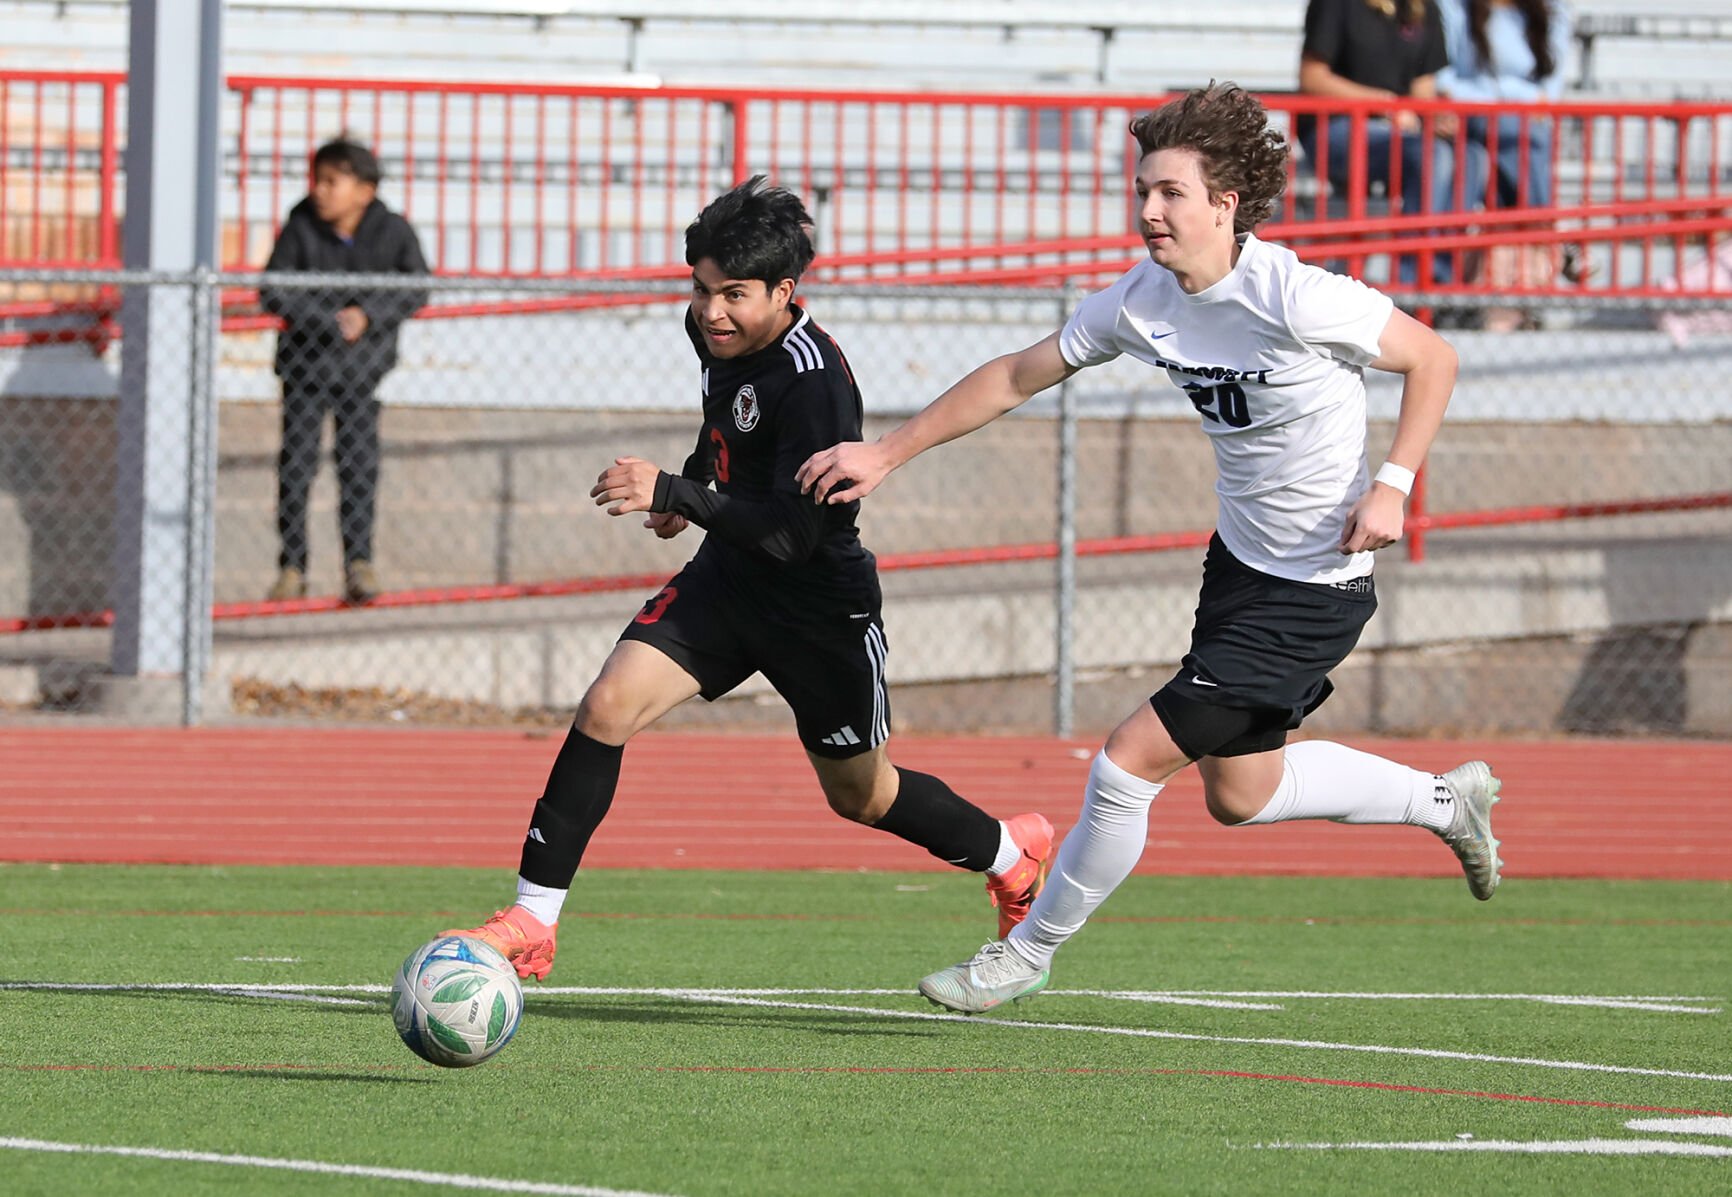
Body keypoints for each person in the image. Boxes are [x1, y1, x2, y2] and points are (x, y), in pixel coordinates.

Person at [797, 85, 1504, 1016]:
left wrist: (1395, 482)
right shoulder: (1141, 300)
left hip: (1316, 583)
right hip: (1242, 571)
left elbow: (1433, 357)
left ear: (1226, 204)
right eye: (1142, 191)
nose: (1148, 211)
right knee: (1241, 794)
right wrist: (885, 452)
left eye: (1171, 192)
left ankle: (1028, 948)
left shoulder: (1294, 292)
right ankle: (1442, 803)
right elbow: (1016, 373)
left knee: (1128, 758)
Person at [443, 177, 1054, 981]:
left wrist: (675, 491)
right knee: (605, 706)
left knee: (862, 796)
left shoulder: (816, 384)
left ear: (784, 292)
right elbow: (722, 423)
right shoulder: (715, 335)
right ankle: (535, 917)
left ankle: (1012, 856)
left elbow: (795, 535)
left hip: (817, 607)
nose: (711, 311)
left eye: (733, 294)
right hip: (728, 584)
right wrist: (696, 483)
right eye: (701, 289)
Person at [260, 137, 428, 605]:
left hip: (360, 372)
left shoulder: (391, 230)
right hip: (306, 369)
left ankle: (359, 563)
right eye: (318, 180)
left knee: (358, 468)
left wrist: (368, 315)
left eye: (333, 181)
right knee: (296, 469)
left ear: (364, 189)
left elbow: (416, 285)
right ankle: (292, 566)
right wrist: (327, 321)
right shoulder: (300, 225)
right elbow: (272, 288)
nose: (321, 190)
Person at [1297, 0, 1461, 284]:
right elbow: (1312, 78)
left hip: (1401, 133)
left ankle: (1439, 278)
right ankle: (1414, 284)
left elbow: (1423, 90)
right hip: (1336, 129)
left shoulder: (1424, 7)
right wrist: (1383, 104)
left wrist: (1436, 118)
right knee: (1432, 155)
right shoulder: (1336, 5)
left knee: (1472, 157)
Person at [1437, 0, 1575, 327]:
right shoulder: (1457, 8)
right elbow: (1447, 80)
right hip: (1476, 118)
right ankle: (1549, 230)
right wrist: (1507, 101)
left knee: (1525, 140)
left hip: (1517, 124)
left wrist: (1516, 103)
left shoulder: (1550, 11)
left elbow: (1550, 87)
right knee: (1524, 136)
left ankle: (1537, 232)